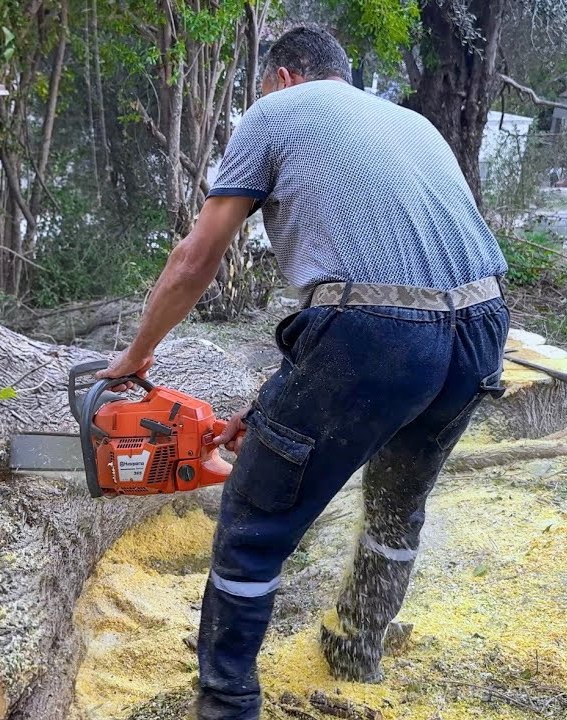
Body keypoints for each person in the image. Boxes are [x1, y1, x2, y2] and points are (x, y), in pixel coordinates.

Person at [99, 24, 510, 720]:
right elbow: (389, 276)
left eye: (264, 87)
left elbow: (197, 258)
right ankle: (356, 648)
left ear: (284, 77)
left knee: (253, 525)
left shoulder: (275, 112)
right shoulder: (409, 123)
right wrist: (271, 410)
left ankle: (227, 705)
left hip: (376, 334)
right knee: (397, 506)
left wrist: (137, 355)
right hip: (482, 326)